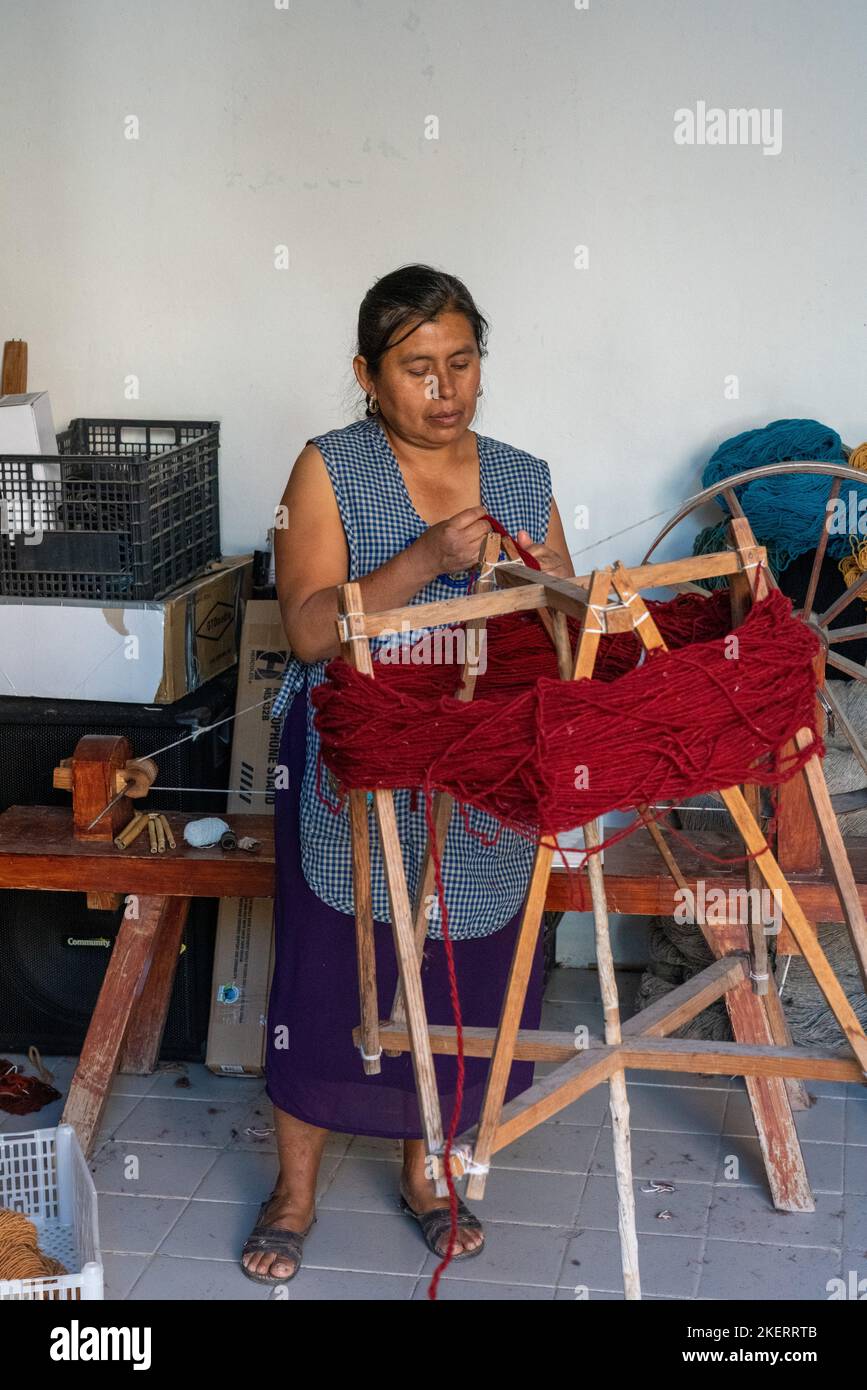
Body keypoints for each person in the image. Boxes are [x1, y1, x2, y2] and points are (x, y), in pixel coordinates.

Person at [241, 264, 574, 1284]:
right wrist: (422, 562)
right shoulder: (328, 468)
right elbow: (305, 634)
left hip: (478, 770)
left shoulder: (522, 475)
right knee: (332, 963)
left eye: (462, 362)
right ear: (368, 375)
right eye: (417, 368)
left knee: (457, 963)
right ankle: (295, 1185)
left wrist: (551, 599)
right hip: (355, 764)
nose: (446, 389)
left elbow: (562, 630)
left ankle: (429, 1170)